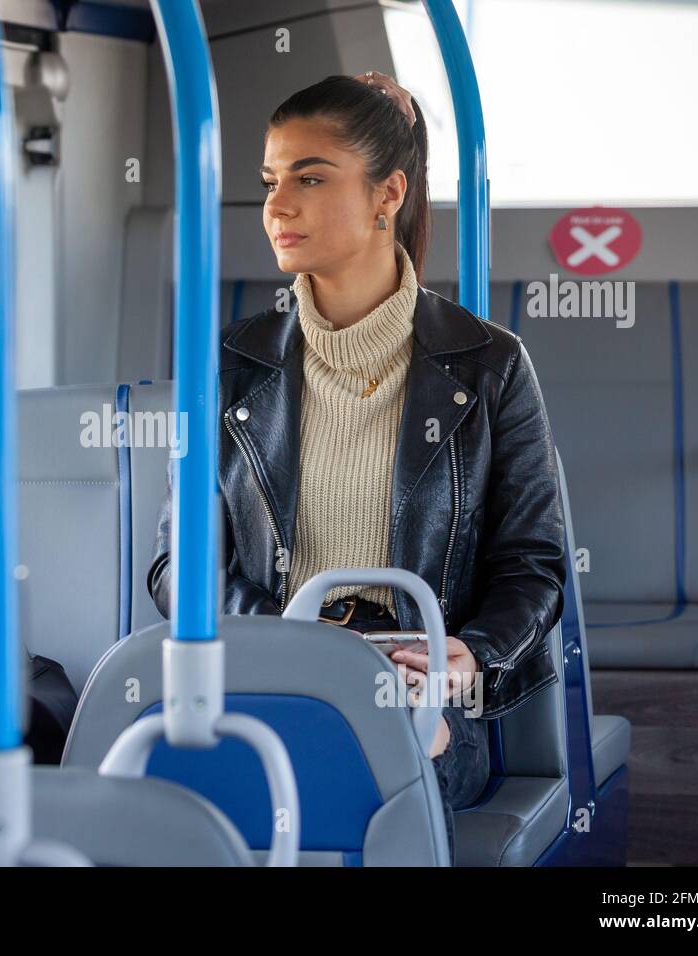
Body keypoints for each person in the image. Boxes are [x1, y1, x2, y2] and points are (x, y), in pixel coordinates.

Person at [146, 72, 568, 860]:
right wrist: (289, 648)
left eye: (310, 178)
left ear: (387, 193)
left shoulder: (490, 367)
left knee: (349, 772)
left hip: (416, 681)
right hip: (265, 664)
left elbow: (534, 567)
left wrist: (467, 655)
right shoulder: (227, 366)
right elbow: (181, 565)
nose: (277, 206)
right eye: (270, 182)